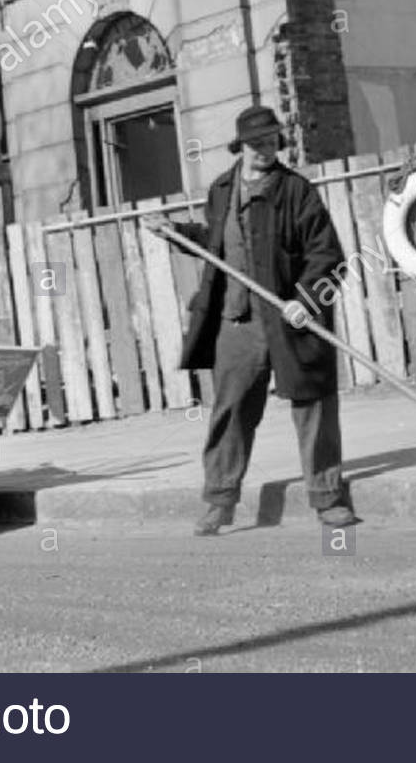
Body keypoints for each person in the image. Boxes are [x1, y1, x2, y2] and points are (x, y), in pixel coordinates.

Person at [146, 105, 359, 536]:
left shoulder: (297, 191)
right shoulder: (222, 189)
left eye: (271, 141)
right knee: (231, 410)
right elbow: (218, 242)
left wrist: (307, 299)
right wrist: (177, 234)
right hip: (237, 319)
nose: (266, 149)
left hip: (290, 316)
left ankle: (327, 497)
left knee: (313, 404)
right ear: (240, 147)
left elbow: (329, 257)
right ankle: (219, 500)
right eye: (256, 143)